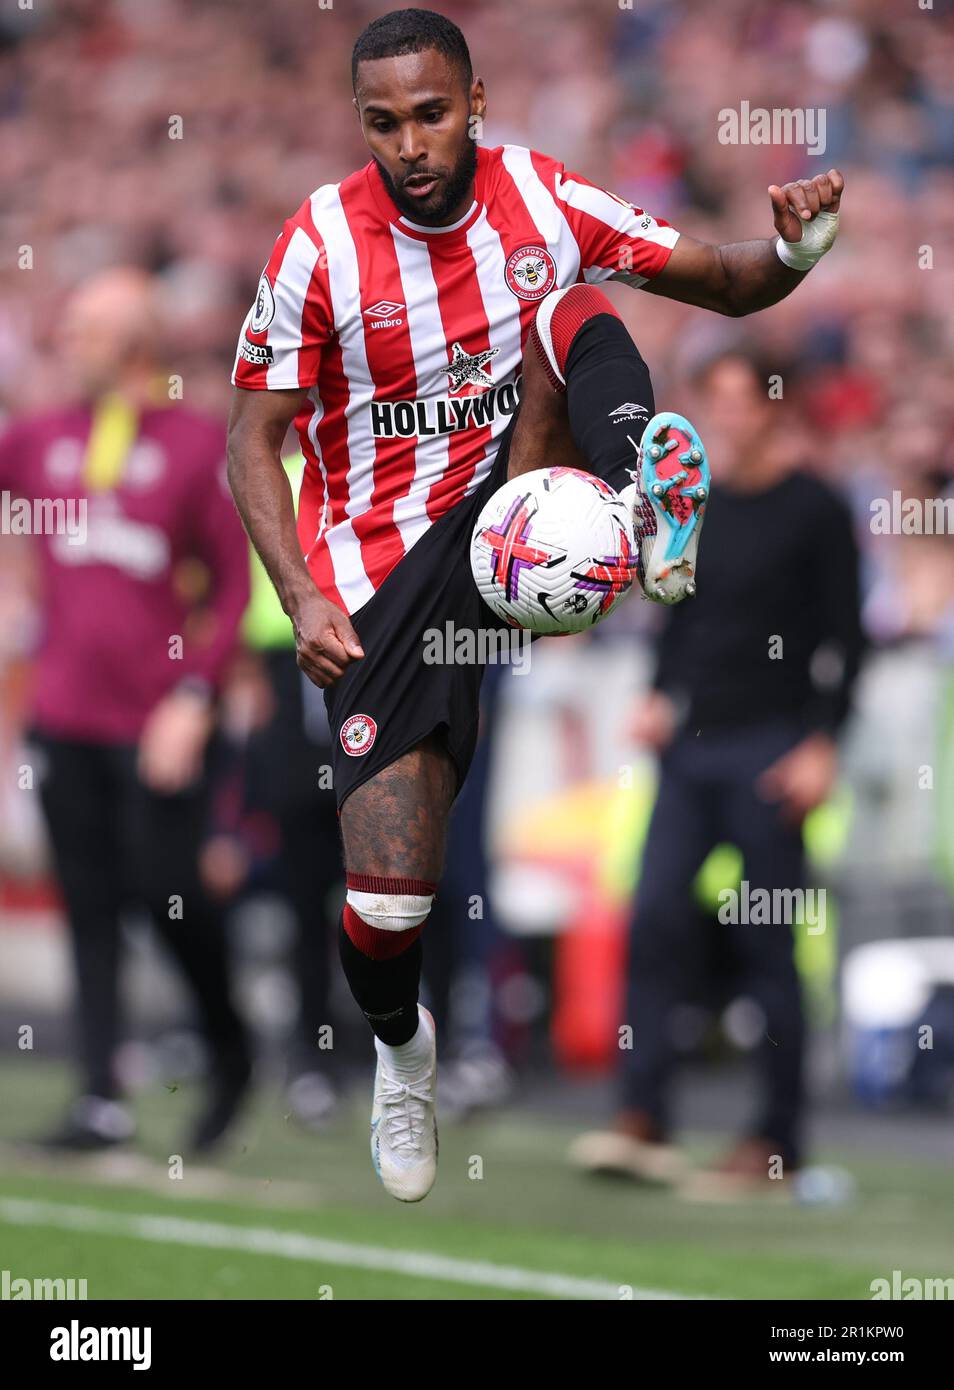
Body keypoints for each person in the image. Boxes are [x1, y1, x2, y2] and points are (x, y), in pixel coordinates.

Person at [226, 7, 845, 1202]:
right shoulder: (317, 243)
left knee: (573, 299)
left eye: (432, 114)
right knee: (386, 900)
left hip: (520, 518)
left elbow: (721, 279)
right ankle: (404, 1052)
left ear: (477, 104)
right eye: (384, 123)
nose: (409, 143)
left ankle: (637, 505)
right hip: (376, 580)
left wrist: (801, 250)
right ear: (363, 124)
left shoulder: (539, 197)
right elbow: (251, 443)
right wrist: (298, 594)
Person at [570, 349, 865, 1194]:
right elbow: (678, 616)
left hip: (771, 753)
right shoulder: (696, 505)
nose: (729, 416)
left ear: (779, 405)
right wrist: (660, 695)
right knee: (656, 918)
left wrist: (821, 743)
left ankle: (778, 1141)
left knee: (768, 947)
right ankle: (642, 1118)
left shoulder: (816, 509)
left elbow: (850, 642)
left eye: (744, 400)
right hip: (691, 749)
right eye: (719, 401)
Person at [0, 268, 252, 1153]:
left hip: (157, 724)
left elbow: (231, 586)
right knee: (88, 905)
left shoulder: (192, 446)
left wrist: (194, 696)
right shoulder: (37, 439)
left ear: (135, 340)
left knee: (166, 892)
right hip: (64, 717)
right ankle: (99, 1096)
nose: (69, 341)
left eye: (87, 327)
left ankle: (231, 1045)